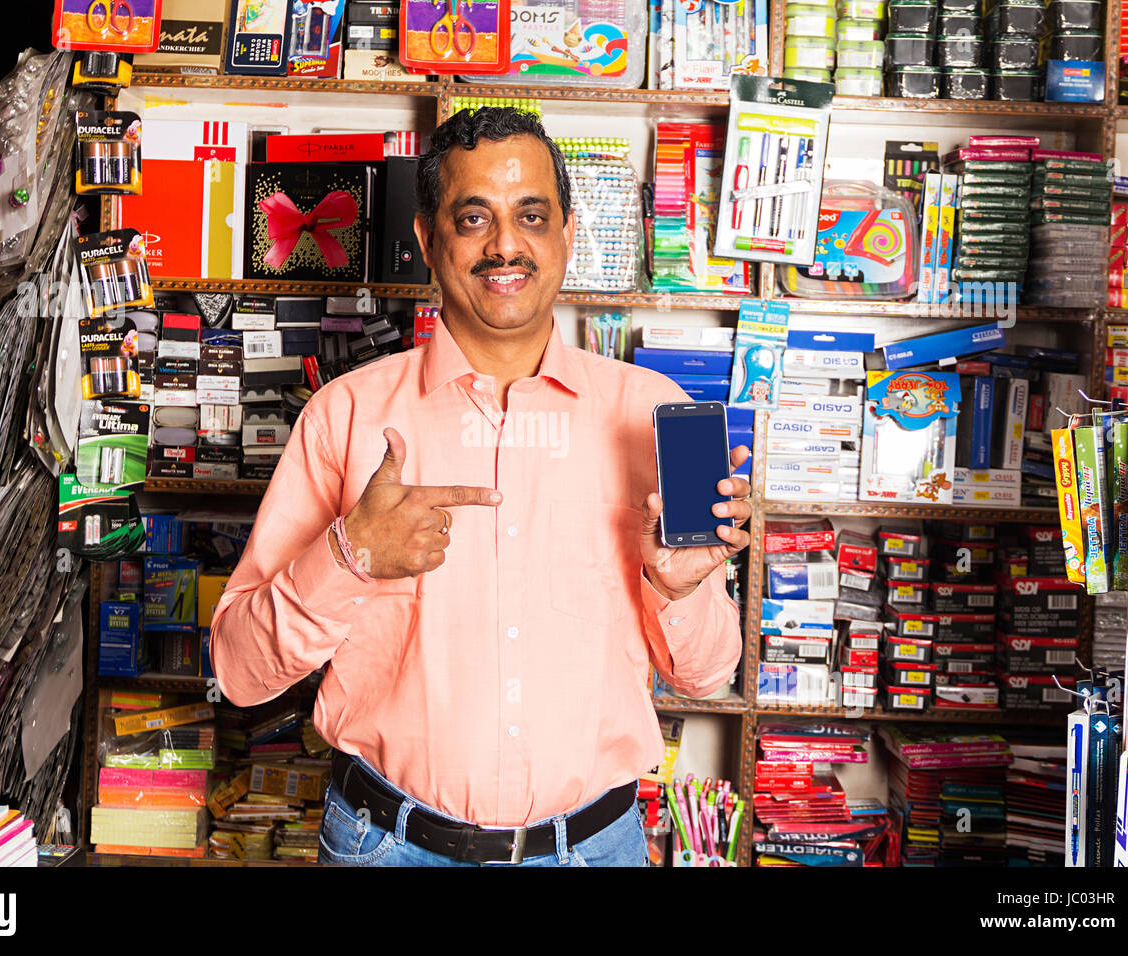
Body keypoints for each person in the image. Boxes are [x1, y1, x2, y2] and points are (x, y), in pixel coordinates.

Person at [210, 107, 750, 867]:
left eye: (532, 214)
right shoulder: (346, 417)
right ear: (429, 239)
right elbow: (236, 672)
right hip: (387, 847)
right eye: (474, 217)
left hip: (596, 850)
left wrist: (680, 587)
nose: (506, 245)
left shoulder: (648, 415)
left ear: (566, 232)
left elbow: (706, 672)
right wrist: (349, 554)